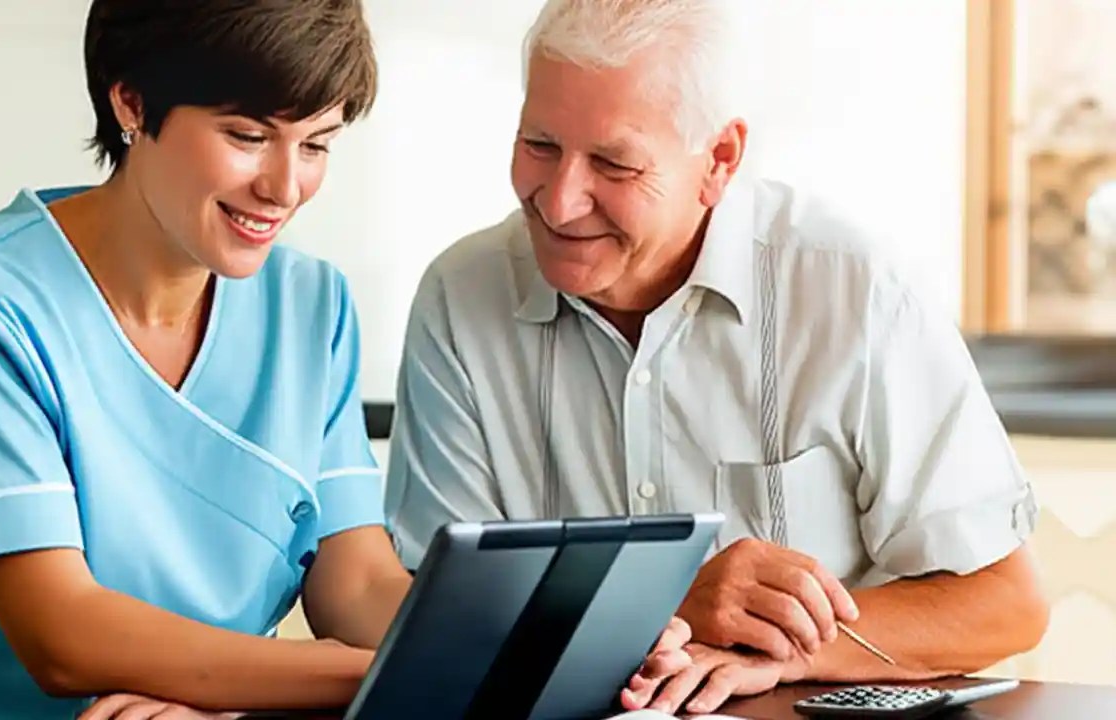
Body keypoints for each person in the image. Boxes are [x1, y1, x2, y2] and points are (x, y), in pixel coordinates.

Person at [384, 0, 1051, 714]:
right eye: (539, 145)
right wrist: (674, 604)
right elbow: (431, 619)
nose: (560, 200)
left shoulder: (853, 290)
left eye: (613, 162)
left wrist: (786, 652)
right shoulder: (458, 297)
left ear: (719, 161)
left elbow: (1006, 604)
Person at [0, 2, 416, 718]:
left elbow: (358, 585)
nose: (284, 188)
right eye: (248, 136)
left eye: (316, 145)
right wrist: (340, 675)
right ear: (130, 100)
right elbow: (65, 636)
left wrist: (508, 661)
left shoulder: (311, 306)